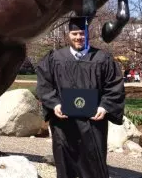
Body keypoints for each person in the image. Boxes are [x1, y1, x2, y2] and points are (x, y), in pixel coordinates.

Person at [36, 16, 125, 178]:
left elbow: (115, 86)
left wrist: (104, 107)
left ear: (87, 34)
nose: (78, 37)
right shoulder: (55, 58)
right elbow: (44, 84)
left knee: (94, 164)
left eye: (82, 33)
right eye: (74, 34)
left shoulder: (102, 59)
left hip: (93, 123)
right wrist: (54, 104)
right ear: (68, 35)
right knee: (65, 163)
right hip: (63, 122)